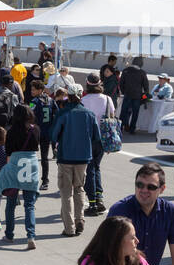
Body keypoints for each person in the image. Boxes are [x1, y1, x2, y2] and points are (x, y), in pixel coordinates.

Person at [51, 90, 101, 237]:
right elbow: (96, 136)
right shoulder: (89, 114)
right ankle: (80, 220)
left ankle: (69, 228)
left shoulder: (63, 113)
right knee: (79, 188)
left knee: (66, 192)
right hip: (83, 157)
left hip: (65, 156)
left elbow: (54, 135)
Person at [1, 104, 41, 249]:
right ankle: (31, 235)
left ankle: (9, 234)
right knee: (29, 204)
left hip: (15, 164)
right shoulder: (35, 129)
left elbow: (8, 153)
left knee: (10, 203)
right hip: (31, 164)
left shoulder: (10, 132)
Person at [78, 74, 116, 215]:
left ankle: (92, 202)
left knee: (90, 170)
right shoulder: (107, 99)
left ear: (87, 84)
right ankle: (99, 198)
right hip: (102, 138)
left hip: (87, 138)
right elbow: (112, 117)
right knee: (96, 167)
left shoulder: (83, 100)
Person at [27, 79, 55, 191]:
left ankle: (29, 178)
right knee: (44, 157)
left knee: (29, 156)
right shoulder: (50, 100)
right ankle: (45, 180)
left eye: (34, 89)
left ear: (40, 90)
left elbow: (29, 117)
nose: (31, 91)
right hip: (47, 132)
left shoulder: (34, 101)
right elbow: (55, 113)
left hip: (35, 132)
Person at [118, 61, 149, 134]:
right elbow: (146, 86)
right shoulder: (142, 72)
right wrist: (144, 96)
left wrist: (123, 92)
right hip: (137, 96)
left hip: (127, 94)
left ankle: (120, 127)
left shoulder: (126, 71)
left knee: (123, 112)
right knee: (135, 113)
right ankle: (132, 129)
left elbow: (121, 83)